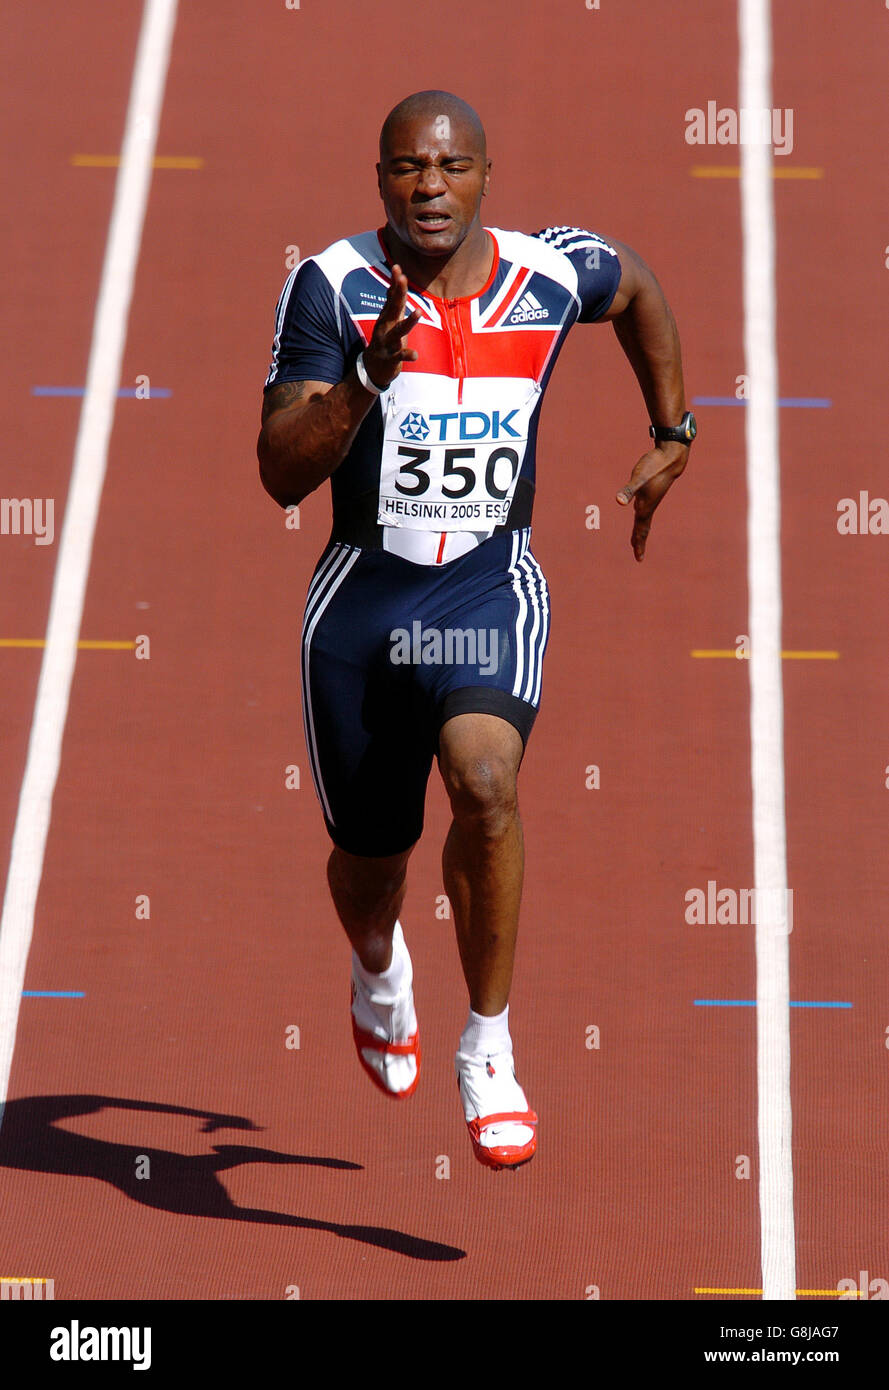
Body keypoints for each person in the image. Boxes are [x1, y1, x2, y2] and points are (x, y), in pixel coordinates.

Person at [257, 90, 694, 1172]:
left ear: (488, 177)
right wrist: (365, 377)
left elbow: (633, 284)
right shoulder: (333, 286)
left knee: (487, 783)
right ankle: (376, 967)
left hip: (484, 593)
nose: (429, 187)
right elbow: (276, 469)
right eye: (407, 168)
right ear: (381, 181)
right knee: (370, 860)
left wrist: (673, 426)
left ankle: (487, 1043)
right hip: (362, 606)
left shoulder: (550, 276)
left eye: (451, 168)